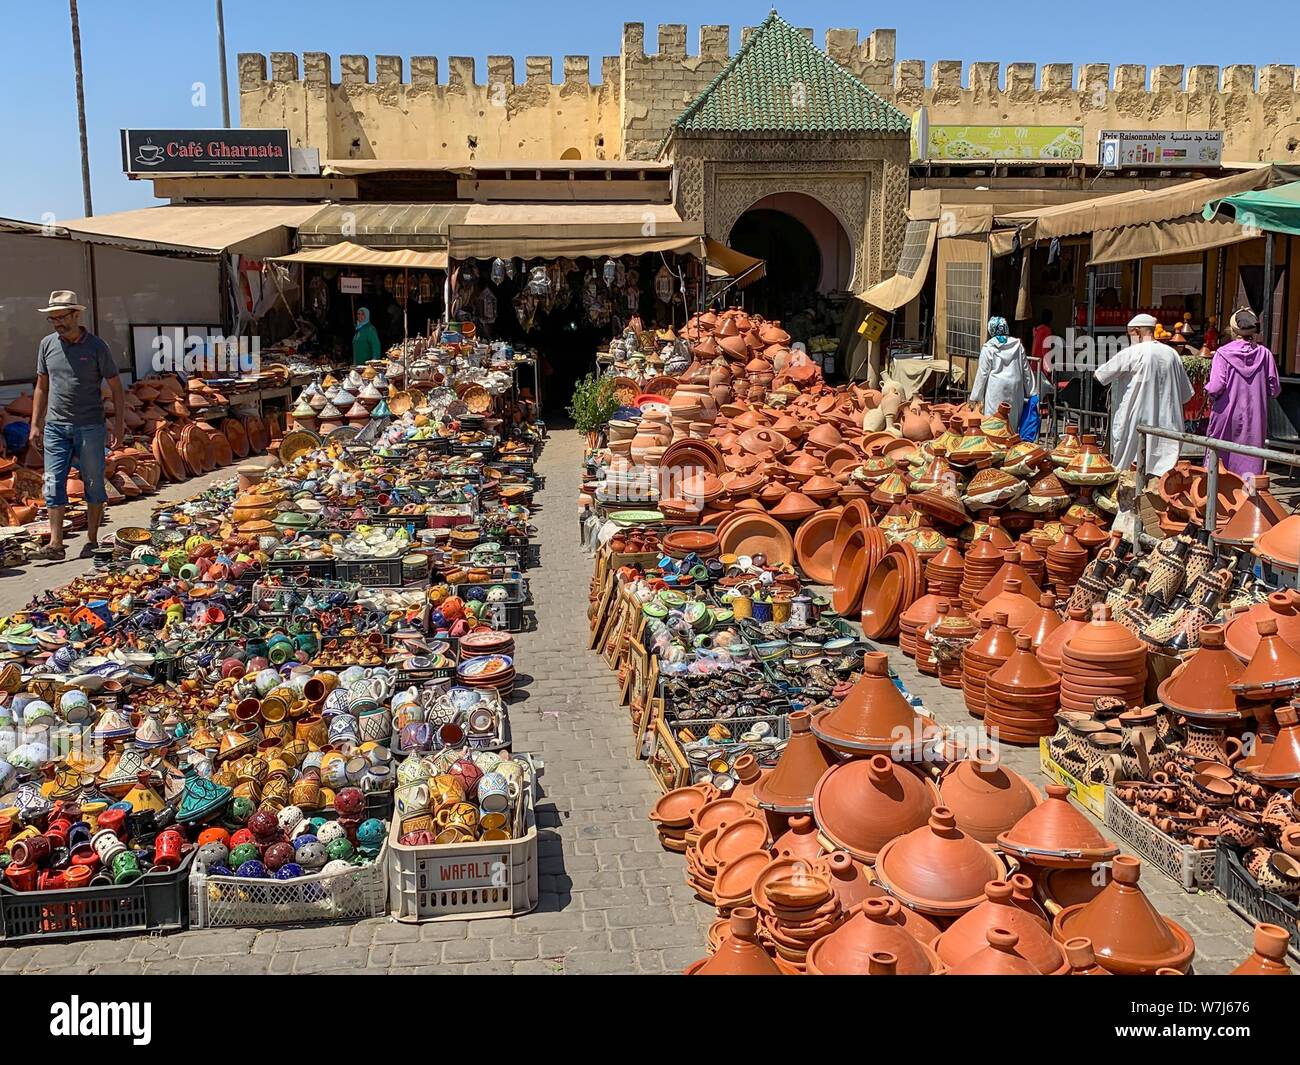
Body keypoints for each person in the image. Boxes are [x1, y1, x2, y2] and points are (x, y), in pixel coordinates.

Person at [30, 290, 124, 560]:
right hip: (55, 427)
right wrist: (35, 424)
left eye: (61, 318)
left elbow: (116, 387)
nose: (58, 323)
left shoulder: (96, 347)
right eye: (52, 319)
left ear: (76, 315)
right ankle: (56, 545)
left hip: (90, 426)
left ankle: (92, 540)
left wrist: (118, 426)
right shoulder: (47, 345)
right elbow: (41, 386)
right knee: (53, 483)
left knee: (93, 483)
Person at [1094, 312, 1192, 478]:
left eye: (1129, 334)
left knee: (1128, 474)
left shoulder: (1132, 352)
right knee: (1161, 477)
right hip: (1168, 427)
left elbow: (1100, 375)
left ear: (1137, 332)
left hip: (1135, 425)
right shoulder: (1172, 354)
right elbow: (1185, 395)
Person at [1205, 308, 1281, 477]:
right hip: (1255, 417)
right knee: (1251, 459)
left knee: (1220, 459)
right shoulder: (1265, 354)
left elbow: (1216, 386)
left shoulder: (1222, 354)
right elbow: (1274, 389)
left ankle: (1218, 499)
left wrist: (1208, 391)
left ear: (1232, 330)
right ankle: (1248, 497)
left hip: (1226, 413)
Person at [969, 315, 1033, 430]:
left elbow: (983, 373)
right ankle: (1011, 441)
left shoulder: (989, 347)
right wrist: (1032, 392)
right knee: (1012, 420)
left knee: (994, 421)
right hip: (1015, 388)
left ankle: (996, 442)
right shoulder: (1017, 345)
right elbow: (1026, 370)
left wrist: (975, 397)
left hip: (996, 389)